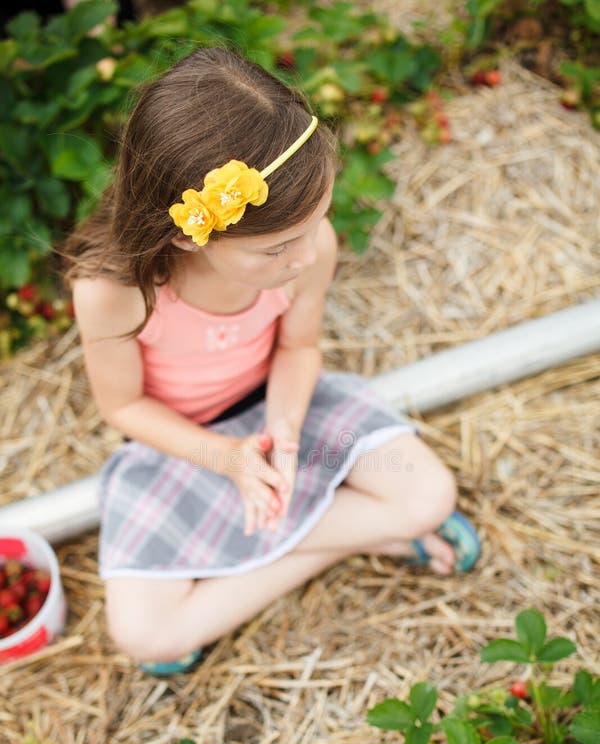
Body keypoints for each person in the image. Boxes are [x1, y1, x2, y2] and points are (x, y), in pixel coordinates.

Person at [64, 47, 480, 676]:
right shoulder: (111, 292)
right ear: (188, 232)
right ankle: (362, 534)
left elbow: (298, 346)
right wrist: (226, 459)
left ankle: (251, 565)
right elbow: (124, 406)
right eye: (279, 247)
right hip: (188, 444)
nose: (308, 255)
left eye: (318, 223)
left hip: (281, 403)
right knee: (144, 636)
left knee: (429, 494)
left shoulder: (310, 250)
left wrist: (284, 428)